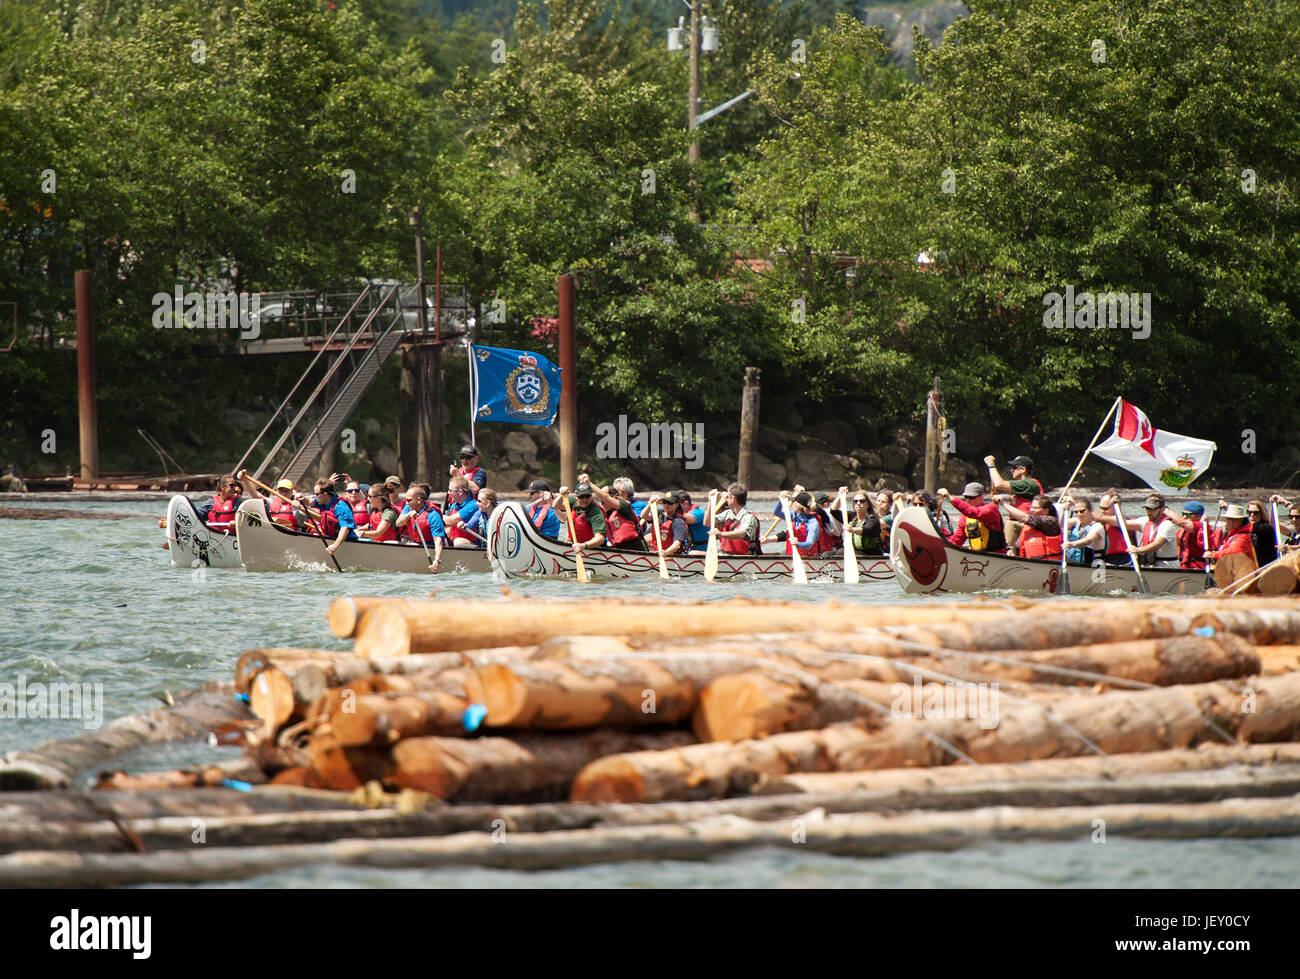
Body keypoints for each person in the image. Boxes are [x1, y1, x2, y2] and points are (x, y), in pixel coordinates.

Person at [1099, 493, 1178, 568]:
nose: (1149, 512)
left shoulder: (1167, 525)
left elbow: (1157, 544)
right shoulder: (1145, 521)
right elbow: (1124, 523)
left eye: (1152, 509)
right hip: (1150, 566)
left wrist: (1137, 550)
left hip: (1167, 566)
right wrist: (1118, 508)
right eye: (1147, 509)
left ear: (1162, 509)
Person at [985, 455, 1044, 554]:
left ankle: (1009, 553)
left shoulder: (1029, 484)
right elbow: (997, 485)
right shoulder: (1020, 485)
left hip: (1029, 524)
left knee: (1010, 524)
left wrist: (991, 465)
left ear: (1023, 469)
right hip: (1020, 524)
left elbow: (999, 484)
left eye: (1014, 468)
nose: (1011, 470)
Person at [938, 482, 1006, 553]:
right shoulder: (965, 517)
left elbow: (975, 513)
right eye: (966, 497)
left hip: (996, 555)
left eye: (971, 497)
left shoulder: (991, 509)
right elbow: (957, 540)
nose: (968, 500)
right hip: (976, 557)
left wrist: (950, 498)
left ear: (981, 496)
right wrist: (940, 546)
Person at [298, 479, 357, 556]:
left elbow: (345, 528)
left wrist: (334, 546)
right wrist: (301, 499)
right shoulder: (323, 501)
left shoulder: (341, 506)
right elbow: (309, 502)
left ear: (325, 494)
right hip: (331, 539)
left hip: (347, 542)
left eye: (316, 494)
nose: (315, 496)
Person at [587, 477, 646, 551]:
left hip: (636, 550)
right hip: (619, 550)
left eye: (603, 501)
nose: (602, 503)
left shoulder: (624, 506)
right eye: (601, 501)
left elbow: (605, 497)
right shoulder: (605, 514)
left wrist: (589, 483)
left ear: (613, 498)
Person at [997, 493, 1062, 559]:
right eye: (1031, 507)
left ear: (1045, 511)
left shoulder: (1051, 522)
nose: (1032, 510)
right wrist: (1012, 551)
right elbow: (1017, 547)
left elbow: (1024, 518)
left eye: (1035, 508)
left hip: (1048, 565)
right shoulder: (1029, 526)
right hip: (1029, 564)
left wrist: (1003, 504)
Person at [394, 485, 444, 569]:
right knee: (392, 542)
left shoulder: (433, 515)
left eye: (409, 500)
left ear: (418, 500)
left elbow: (438, 540)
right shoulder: (408, 508)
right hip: (417, 545)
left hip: (430, 546)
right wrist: (409, 515)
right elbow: (398, 523)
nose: (406, 503)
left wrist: (437, 560)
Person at [556, 482, 607, 550]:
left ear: (591, 496)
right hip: (575, 546)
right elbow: (556, 506)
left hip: (593, 548)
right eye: (581, 496)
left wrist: (584, 545)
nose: (584, 499)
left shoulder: (596, 512)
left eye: (587, 496)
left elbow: (600, 538)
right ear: (575, 496)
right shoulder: (573, 501)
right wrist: (561, 495)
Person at [713, 482, 761, 555]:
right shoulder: (728, 514)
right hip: (725, 556)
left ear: (733, 499)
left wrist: (721, 534)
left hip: (744, 559)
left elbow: (742, 534)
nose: (726, 500)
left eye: (728, 497)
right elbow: (707, 522)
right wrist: (711, 501)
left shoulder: (749, 517)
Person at [1164, 501, 1214, 570]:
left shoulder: (1201, 526)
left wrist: (1164, 509)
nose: (1184, 517)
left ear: (1198, 516)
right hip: (1183, 565)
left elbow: (1180, 522)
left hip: (1197, 566)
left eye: (1187, 515)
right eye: (1183, 514)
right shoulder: (1181, 531)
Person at [1058, 496, 1107, 564]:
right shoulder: (1075, 522)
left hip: (1093, 565)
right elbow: (1060, 526)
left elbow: (1088, 540)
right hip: (1072, 563)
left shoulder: (1097, 526)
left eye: (1082, 511)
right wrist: (1064, 510)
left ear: (1090, 511)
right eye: (1076, 512)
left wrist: (1071, 544)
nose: (1079, 514)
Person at [644, 491, 691, 556]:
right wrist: (650, 504)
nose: (666, 505)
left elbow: (677, 544)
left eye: (670, 503)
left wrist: (666, 552)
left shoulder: (678, 522)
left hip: (672, 555)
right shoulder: (659, 514)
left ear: (677, 504)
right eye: (664, 502)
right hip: (657, 553)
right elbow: (643, 516)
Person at [777, 491, 820, 556]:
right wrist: (780, 500)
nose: (792, 504)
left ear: (799, 505)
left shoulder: (812, 523)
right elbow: (777, 512)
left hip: (808, 556)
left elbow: (809, 544)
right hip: (792, 554)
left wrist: (797, 544)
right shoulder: (793, 515)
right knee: (782, 553)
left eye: (794, 502)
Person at [442, 476, 481, 546]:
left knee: (458, 541)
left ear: (460, 492)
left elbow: (449, 521)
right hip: (455, 541)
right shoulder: (454, 505)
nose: (448, 493)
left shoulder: (473, 506)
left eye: (451, 490)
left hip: (472, 544)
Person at [1241, 498, 1278, 567]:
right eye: (1249, 512)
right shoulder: (1247, 525)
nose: (1252, 515)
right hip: (1251, 566)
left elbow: (1251, 527)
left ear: (1262, 514)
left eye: (1255, 513)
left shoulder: (1266, 528)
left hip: (1265, 567)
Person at [846, 490, 883, 555]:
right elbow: (834, 511)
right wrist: (841, 495)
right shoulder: (851, 516)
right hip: (856, 552)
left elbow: (866, 529)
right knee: (834, 553)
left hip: (871, 554)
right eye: (856, 501)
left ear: (868, 504)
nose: (858, 503)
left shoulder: (873, 520)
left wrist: (852, 529)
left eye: (862, 501)